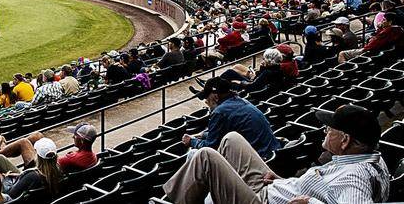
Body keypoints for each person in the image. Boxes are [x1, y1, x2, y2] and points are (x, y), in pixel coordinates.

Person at [163, 104, 390, 203]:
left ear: (345, 140)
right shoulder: (372, 158)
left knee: (205, 156)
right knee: (231, 139)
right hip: (274, 188)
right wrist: (285, 181)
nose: (325, 132)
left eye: (330, 129)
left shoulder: (355, 177)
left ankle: (175, 200)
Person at [183, 77, 280, 157]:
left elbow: (210, 147)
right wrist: (204, 134)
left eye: (206, 97)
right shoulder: (241, 101)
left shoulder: (220, 112)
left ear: (215, 97)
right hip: (271, 154)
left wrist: (192, 141)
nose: (206, 101)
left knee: (193, 154)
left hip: (258, 159)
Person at [339, 11, 404, 62]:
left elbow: (371, 46)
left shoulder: (387, 31)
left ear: (390, 22)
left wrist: (365, 46)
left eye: (384, 20)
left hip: (372, 52)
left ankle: (347, 68)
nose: (381, 21)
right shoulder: (399, 29)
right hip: (385, 52)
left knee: (342, 53)